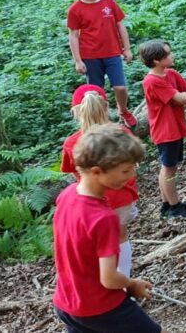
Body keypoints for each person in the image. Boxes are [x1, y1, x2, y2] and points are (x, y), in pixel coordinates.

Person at [53, 124, 162, 333]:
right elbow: (110, 278)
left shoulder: (66, 196)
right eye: (125, 170)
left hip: (67, 303)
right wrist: (132, 284)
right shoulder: (103, 218)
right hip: (101, 307)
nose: (131, 176)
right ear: (96, 171)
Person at [60, 85, 139, 277]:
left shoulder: (72, 142)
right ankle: (123, 280)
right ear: (106, 107)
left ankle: (102, 281)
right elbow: (133, 164)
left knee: (96, 242)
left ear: (76, 112)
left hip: (91, 203)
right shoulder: (122, 134)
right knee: (120, 236)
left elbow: (73, 174)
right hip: (121, 198)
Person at [67, 0, 137, 128]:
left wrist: (127, 49)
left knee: (120, 87)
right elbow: (73, 36)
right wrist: (78, 61)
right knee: (95, 93)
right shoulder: (75, 9)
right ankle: (99, 120)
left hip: (112, 53)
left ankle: (123, 110)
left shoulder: (109, 2)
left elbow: (120, 25)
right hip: (90, 56)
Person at [140, 40, 186, 218]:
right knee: (169, 168)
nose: (172, 56)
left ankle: (166, 202)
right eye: (168, 54)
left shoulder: (170, 73)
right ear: (157, 60)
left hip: (175, 128)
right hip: (165, 131)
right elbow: (181, 98)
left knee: (168, 167)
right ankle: (174, 206)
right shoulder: (152, 81)